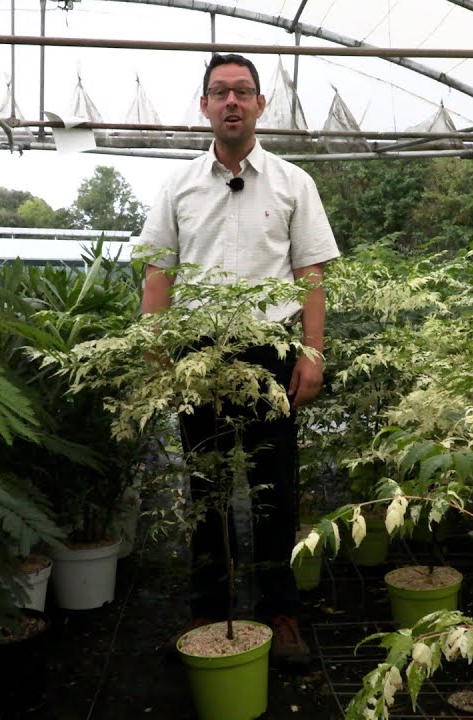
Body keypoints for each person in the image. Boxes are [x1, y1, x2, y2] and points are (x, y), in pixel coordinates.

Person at [135, 53, 340, 667]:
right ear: (203, 105)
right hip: (200, 353)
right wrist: (155, 359)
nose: (231, 101)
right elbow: (157, 277)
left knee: (276, 488)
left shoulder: (293, 182)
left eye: (242, 92)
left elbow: (311, 275)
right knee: (206, 488)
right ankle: (207, 609)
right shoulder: (178, 185)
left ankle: (281, 612)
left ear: (259, 105)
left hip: (272, 352)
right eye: (219, 92)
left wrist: (312, 354)